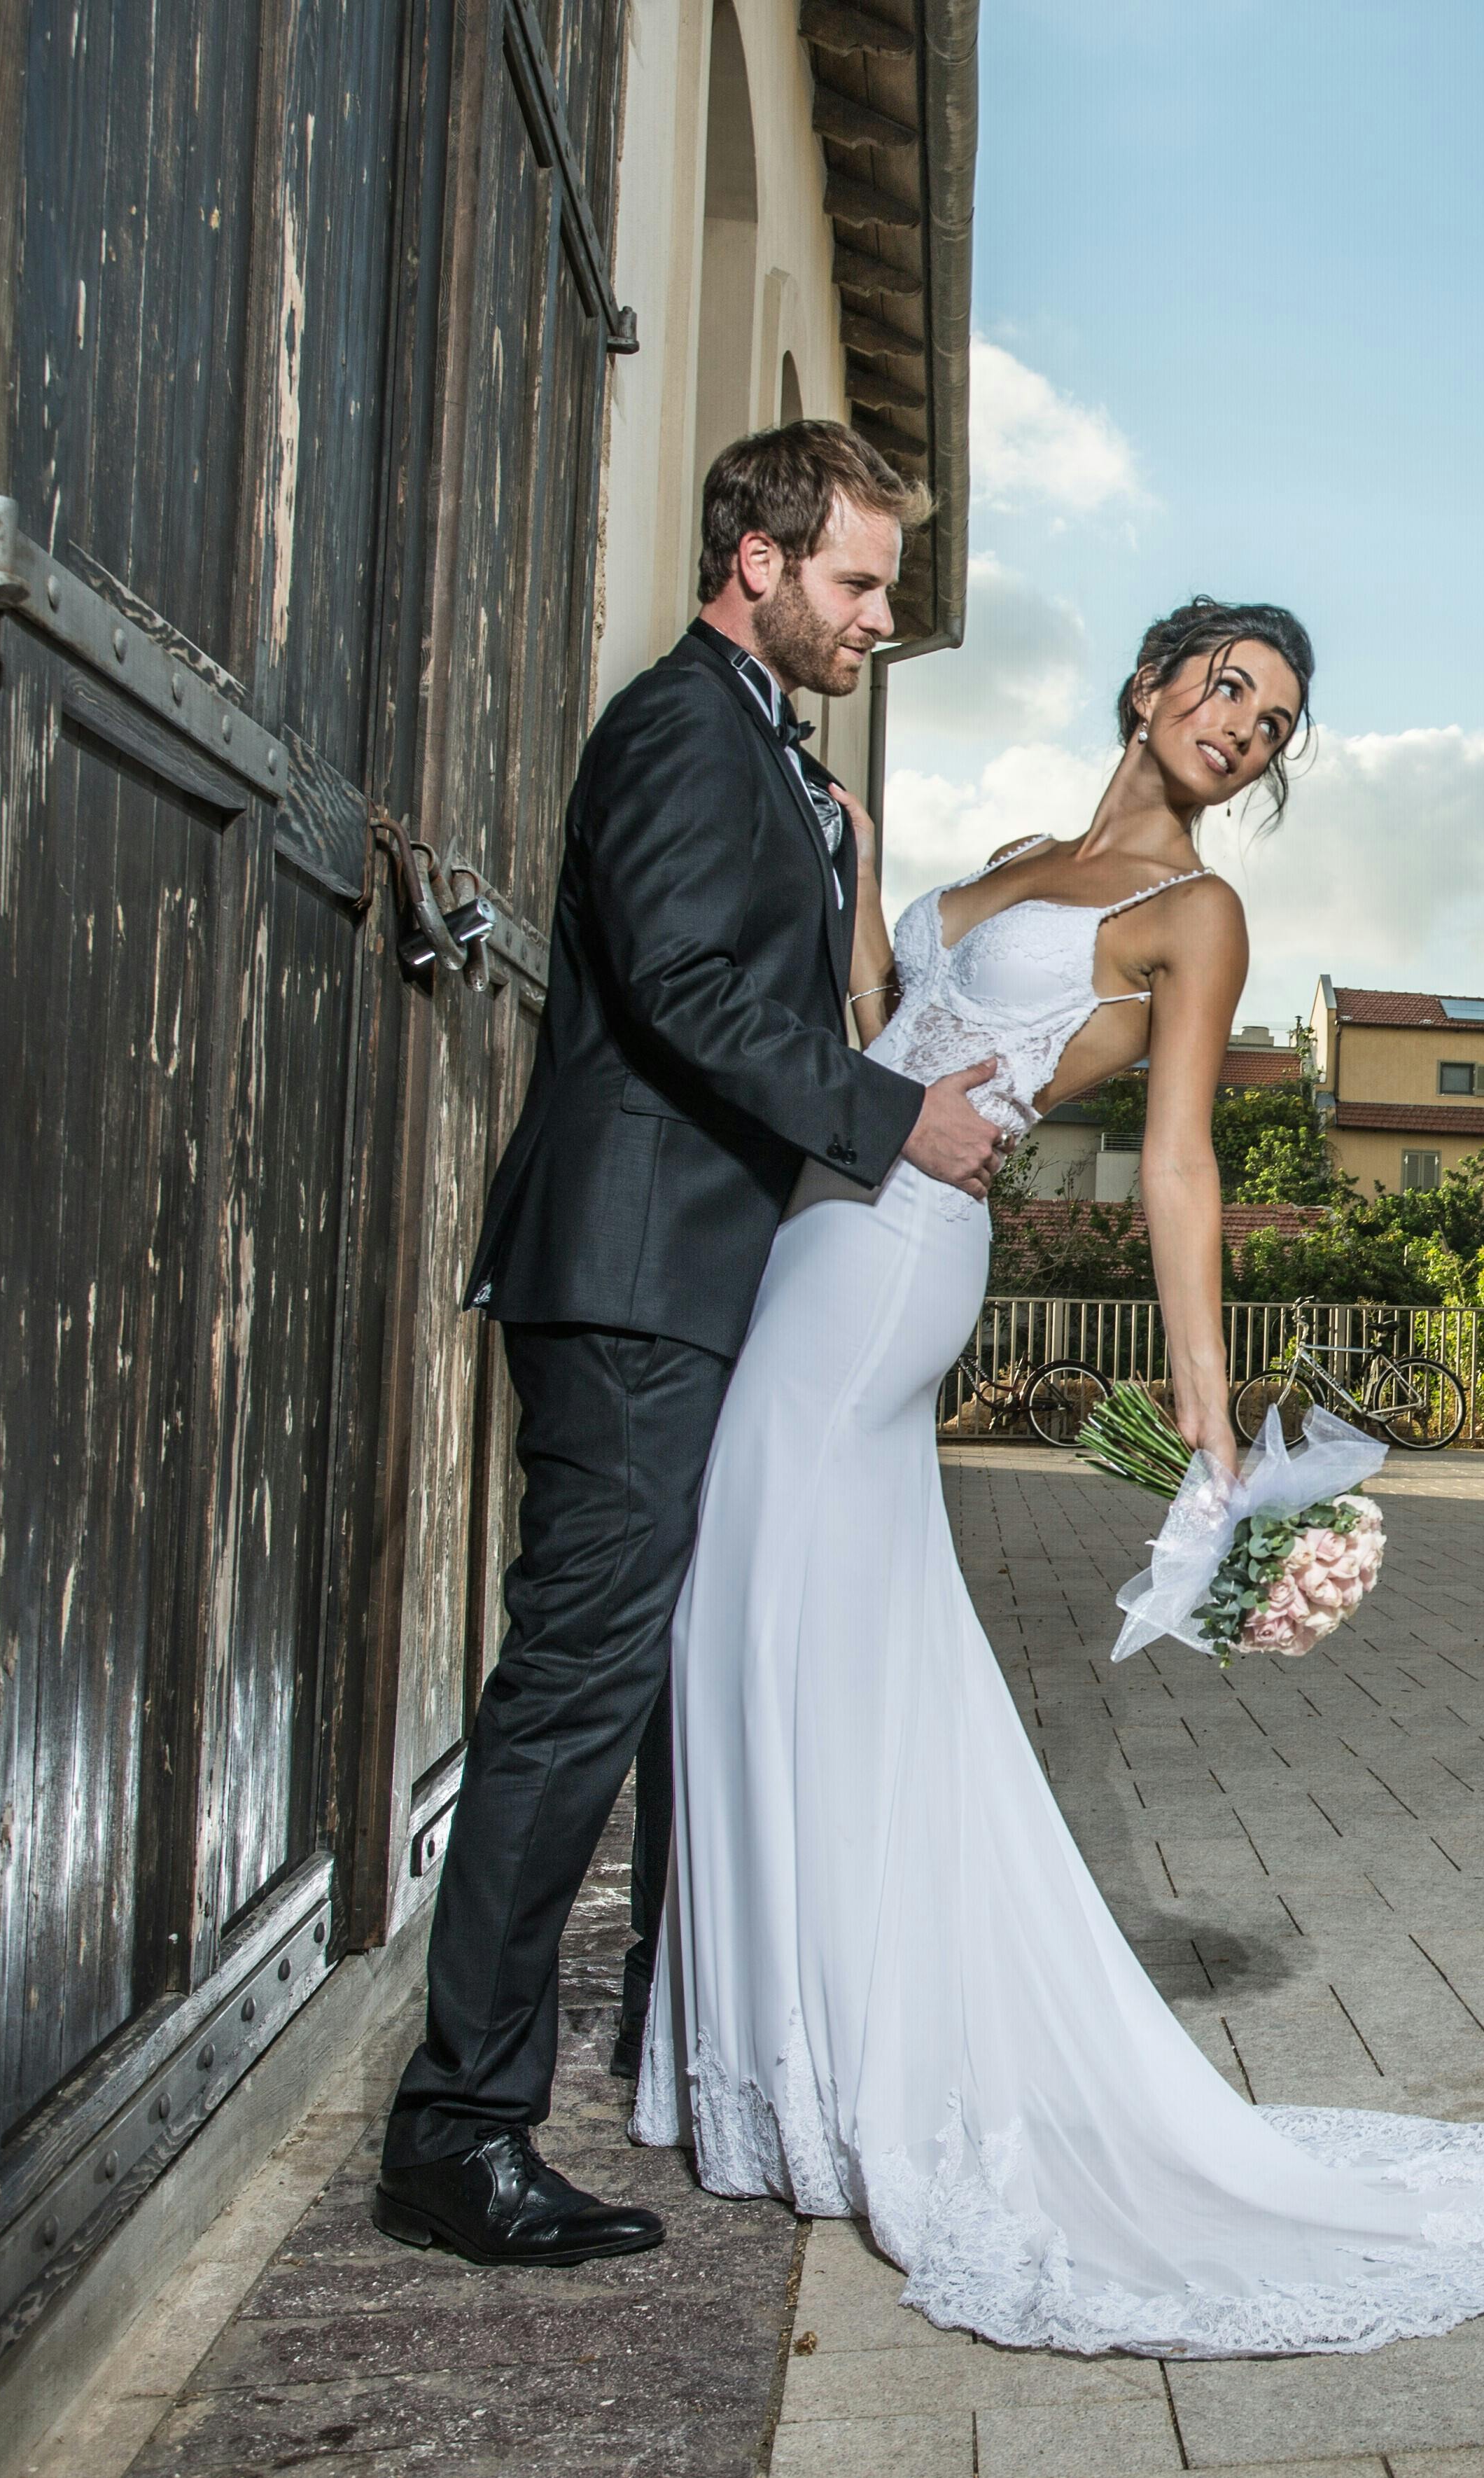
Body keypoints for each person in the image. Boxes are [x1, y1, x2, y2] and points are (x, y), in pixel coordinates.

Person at [634, 599, 1484, 2353]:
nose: (1245, 726)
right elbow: (882, 1032)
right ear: (1150, 686)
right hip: (818, 1222)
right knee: (807, 1631)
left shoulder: (1194, 913)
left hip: (898, 1255)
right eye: (1227, 685)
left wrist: (1212, 1414)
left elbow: (1178, 1165)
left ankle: (824, 2067)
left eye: (1276, 721)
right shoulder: (1021, 859)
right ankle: (801, 2054)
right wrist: (866, 877)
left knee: (760, 1611)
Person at [374, 422, 1009, 2268]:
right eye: (858, 582)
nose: (878, 617)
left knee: (657, 1672)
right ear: (757, 560)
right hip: (634, 1277)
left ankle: (669, 2029)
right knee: (577, 1681)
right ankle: (456, 2131)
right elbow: (677, 987)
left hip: (700, 1281)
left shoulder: (772, 752)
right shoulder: (674, 725)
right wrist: (896, 1122)